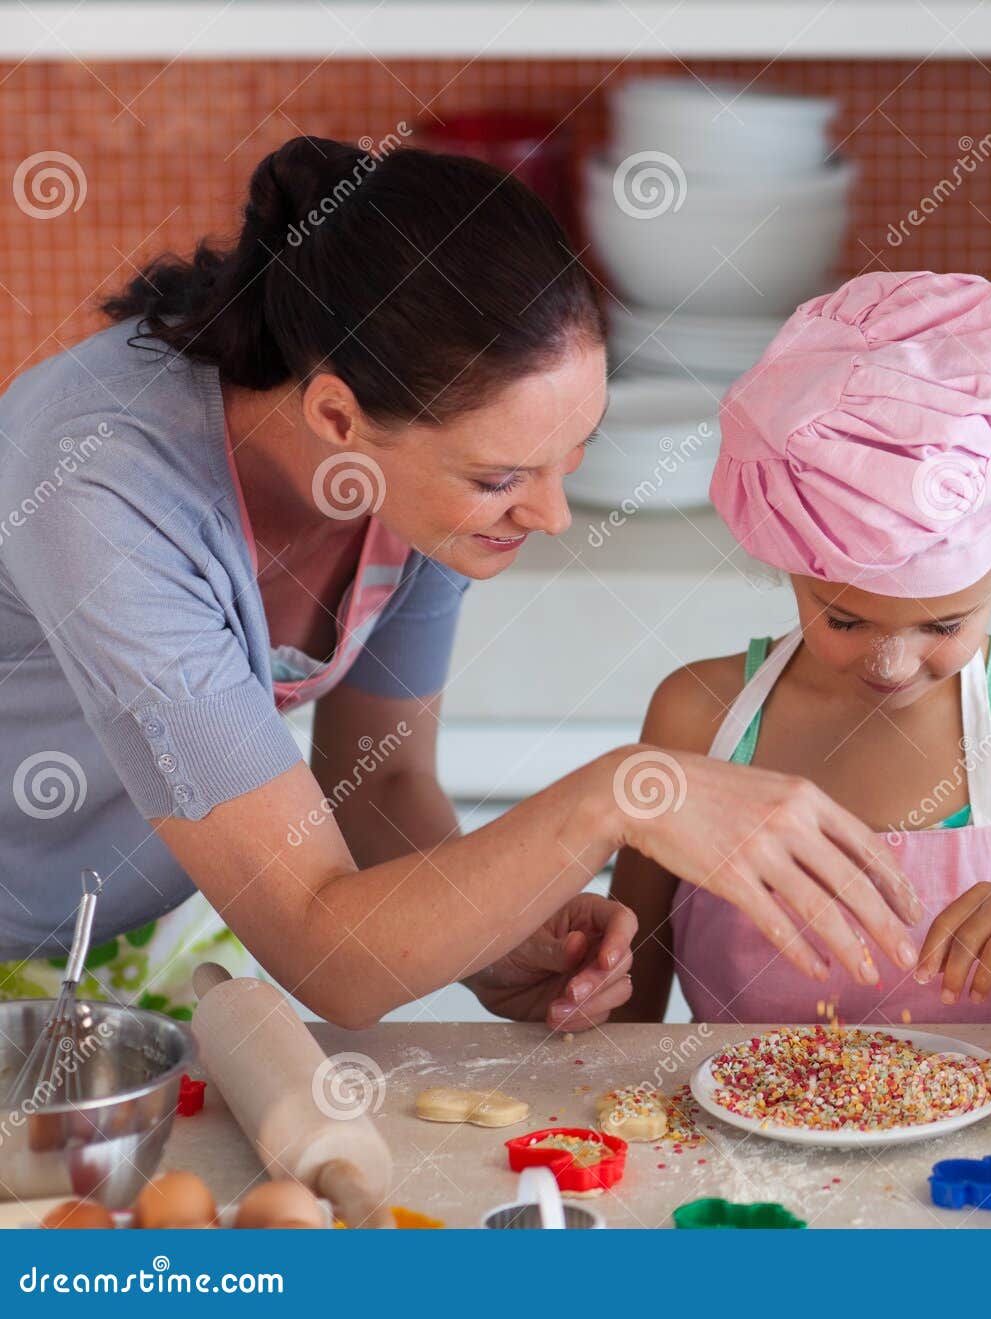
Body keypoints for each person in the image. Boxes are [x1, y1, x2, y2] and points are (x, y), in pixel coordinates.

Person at [0, 136, 918, 1031]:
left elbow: (381, 783)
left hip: (137, 921)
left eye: (573, 456)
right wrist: (627, 795)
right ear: (336, 415)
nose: (551, 515)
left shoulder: (407, 486)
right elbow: (329, 951)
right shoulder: (105, 490)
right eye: (501, 479)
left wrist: (493, 933)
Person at [611, 271, 991, 1026]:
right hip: (724, 1145)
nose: (892, 664)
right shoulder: (700, 717)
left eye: (943, 625)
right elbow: (620, 1016)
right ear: (786, 566)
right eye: (846, 621)